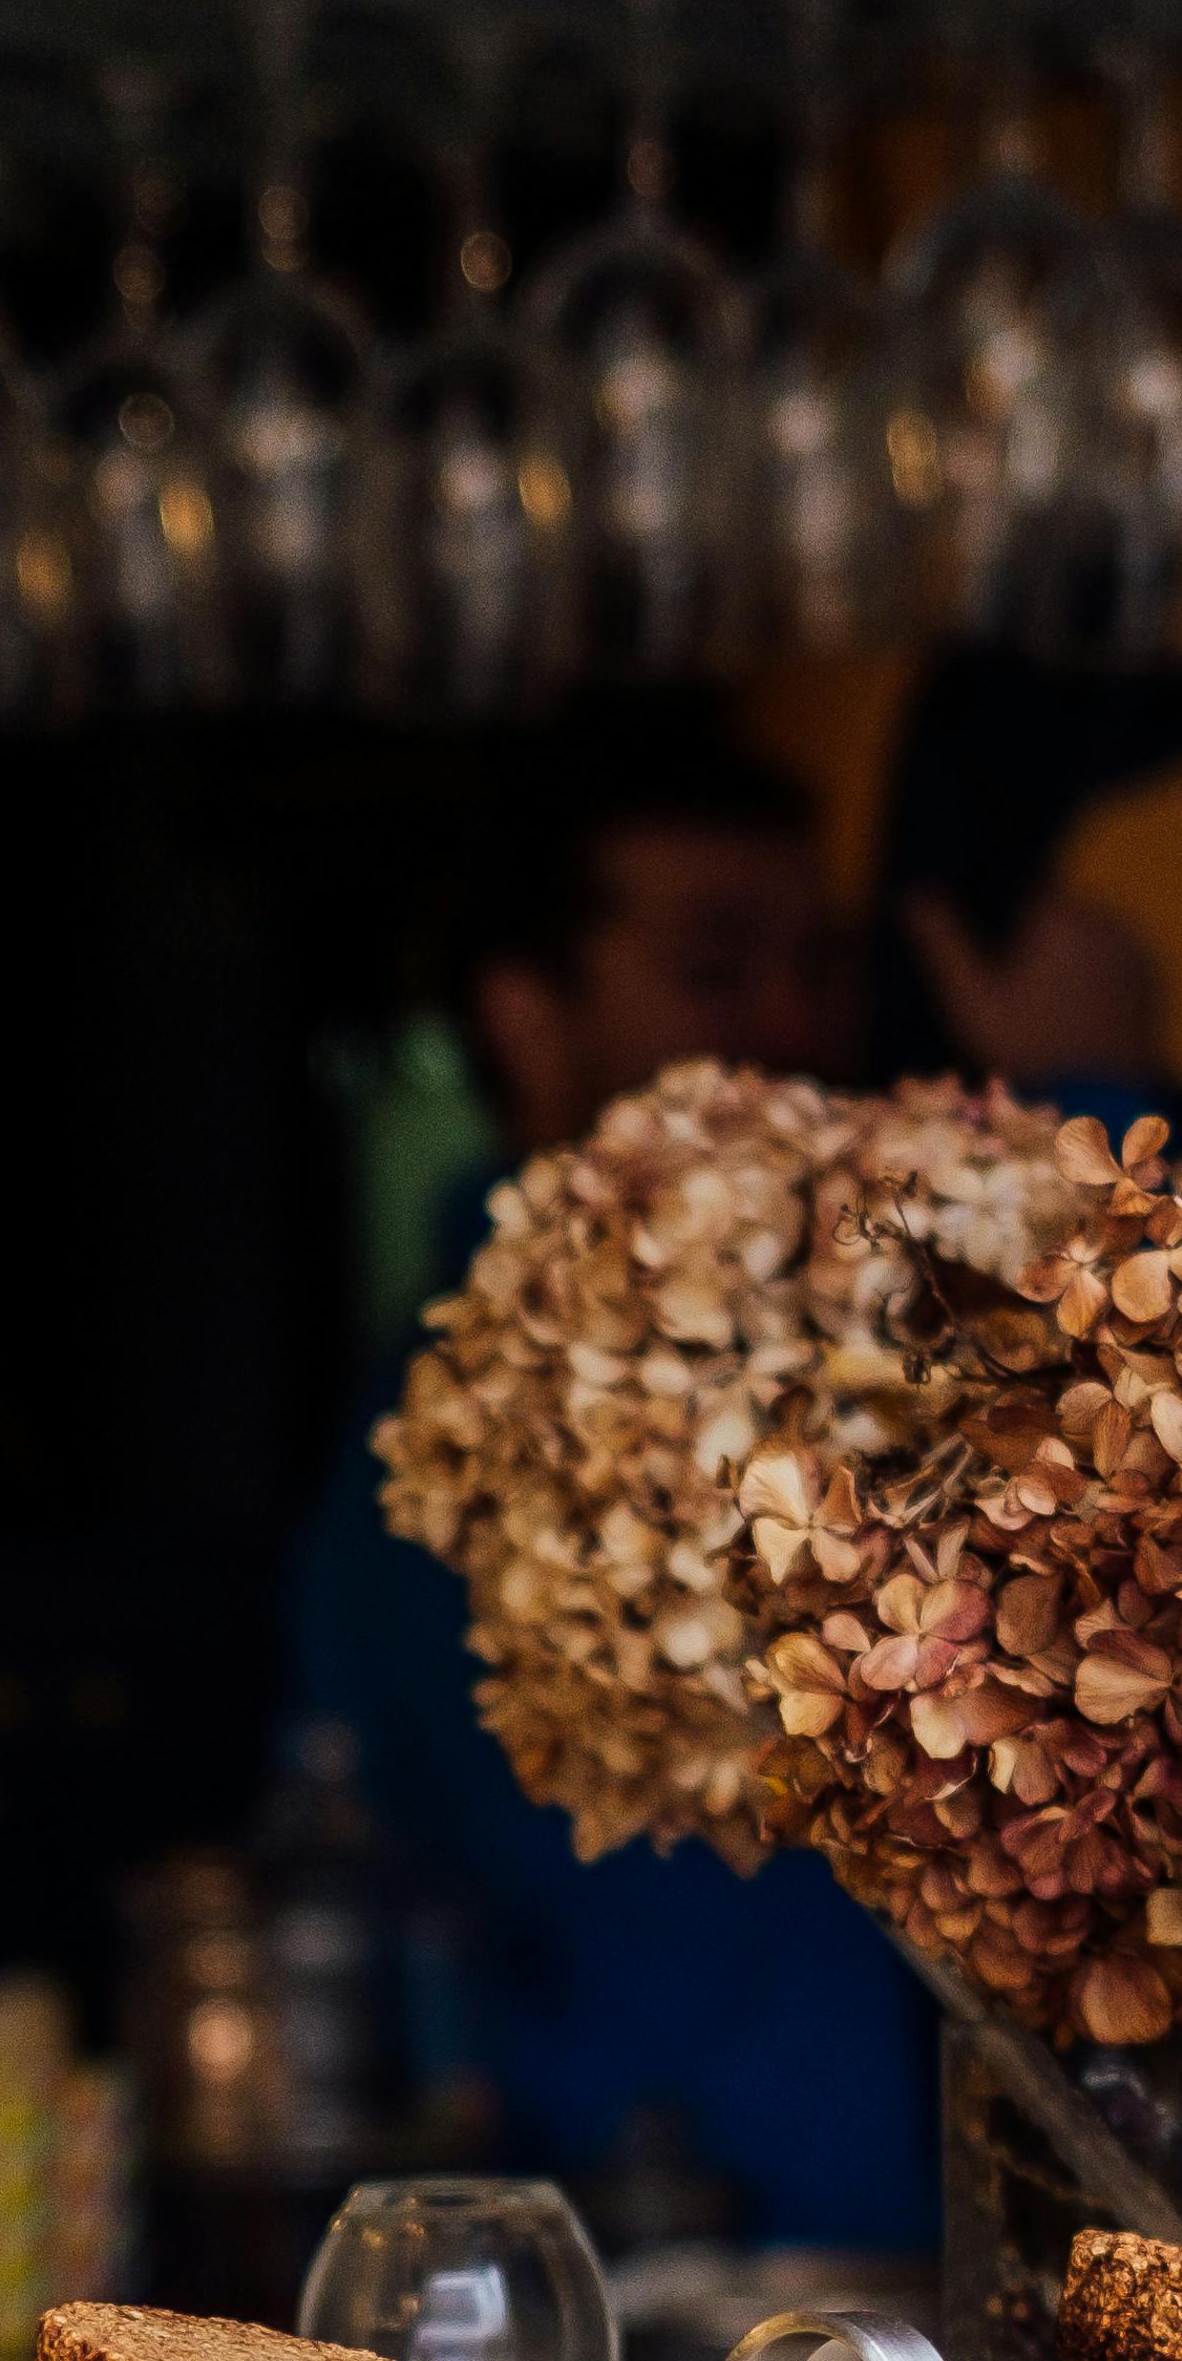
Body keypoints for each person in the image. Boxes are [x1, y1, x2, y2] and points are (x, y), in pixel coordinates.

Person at [286, 712, 938, 2254]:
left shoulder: (832, 1330)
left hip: (881, 2302)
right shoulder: (489, 1409)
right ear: (526, 1020)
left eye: (817, 965)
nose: (791, 1022)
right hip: (679, 2321)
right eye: (715, 971)